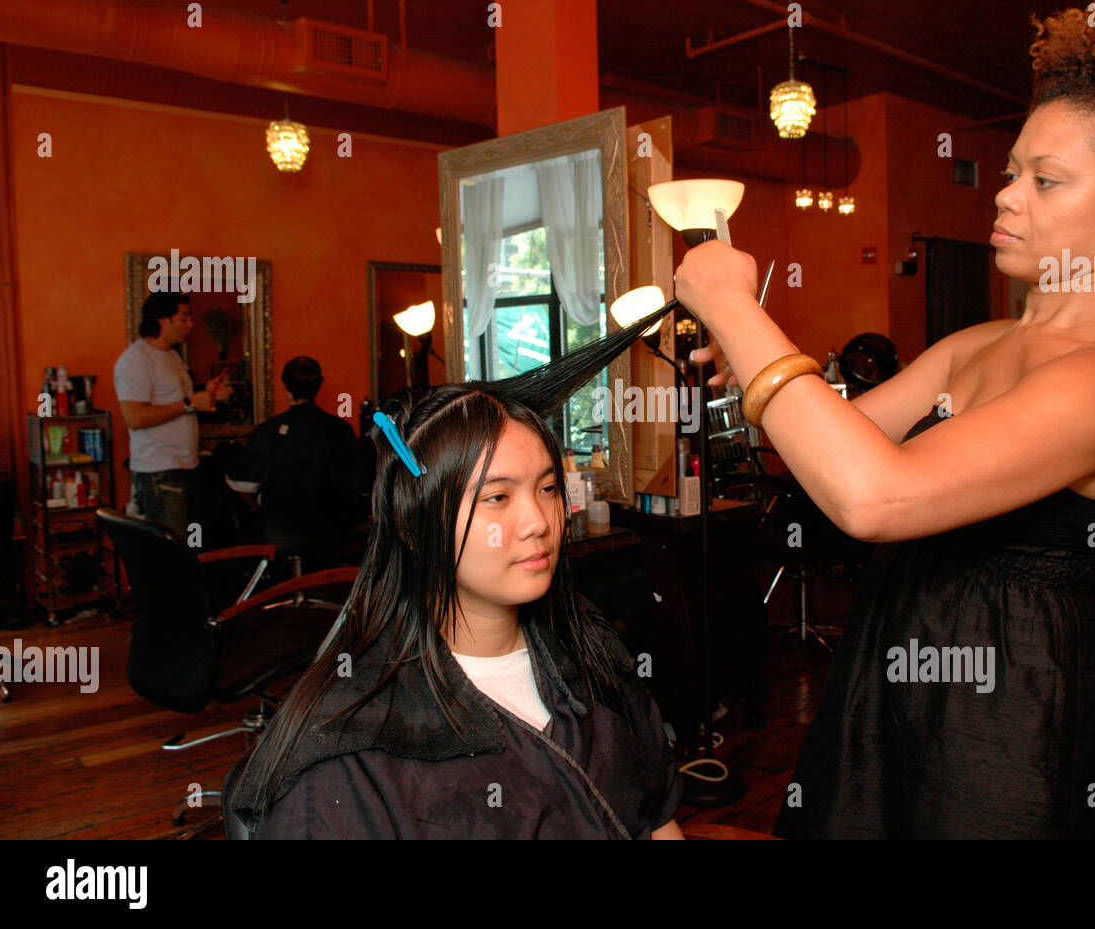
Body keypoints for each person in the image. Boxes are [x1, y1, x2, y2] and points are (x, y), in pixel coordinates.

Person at [676, 0, 1095, 838]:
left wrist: (741, 316)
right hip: (891, 662)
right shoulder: (976, 342)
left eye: (1045, 180)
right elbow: (832, 444)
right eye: (1012, 169)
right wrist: (764, 380)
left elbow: (875, 497)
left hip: (1012, 710)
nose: (1007, 196)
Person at [226, 307, 684, 839]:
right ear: (415, 524)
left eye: (548, 488)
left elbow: (657, 821)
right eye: (497, 497)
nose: (539, 522)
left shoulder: (595, 655)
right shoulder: (349, 755)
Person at [114, 291, 232, 540]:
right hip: (160, 471)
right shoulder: (136, 360)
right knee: (171, 550)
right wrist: (190, 403)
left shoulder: (173, 356)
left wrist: (206, 394)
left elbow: (177, 402)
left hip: (187, 464)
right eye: (185, 318)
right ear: (163, 320)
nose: (191, 324)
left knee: (191, 544)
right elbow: (135, 417)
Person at [225, 356, 367, 551]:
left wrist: (257, 508)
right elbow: (357, 484)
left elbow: (240, 484)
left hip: (279, 531)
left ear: (286, 388)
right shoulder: (341, 429)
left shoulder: (268, 432)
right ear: (318, 386)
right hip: (334, 529)